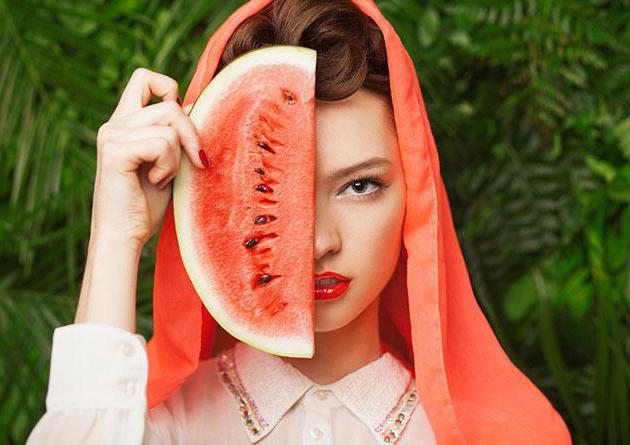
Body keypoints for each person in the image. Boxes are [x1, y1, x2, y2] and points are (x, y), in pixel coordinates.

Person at [27, 0, 573, 444]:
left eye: (360, 185)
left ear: (417, 196)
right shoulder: (154, 429)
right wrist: (116, 236)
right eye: (270, 191)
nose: (317, 241)